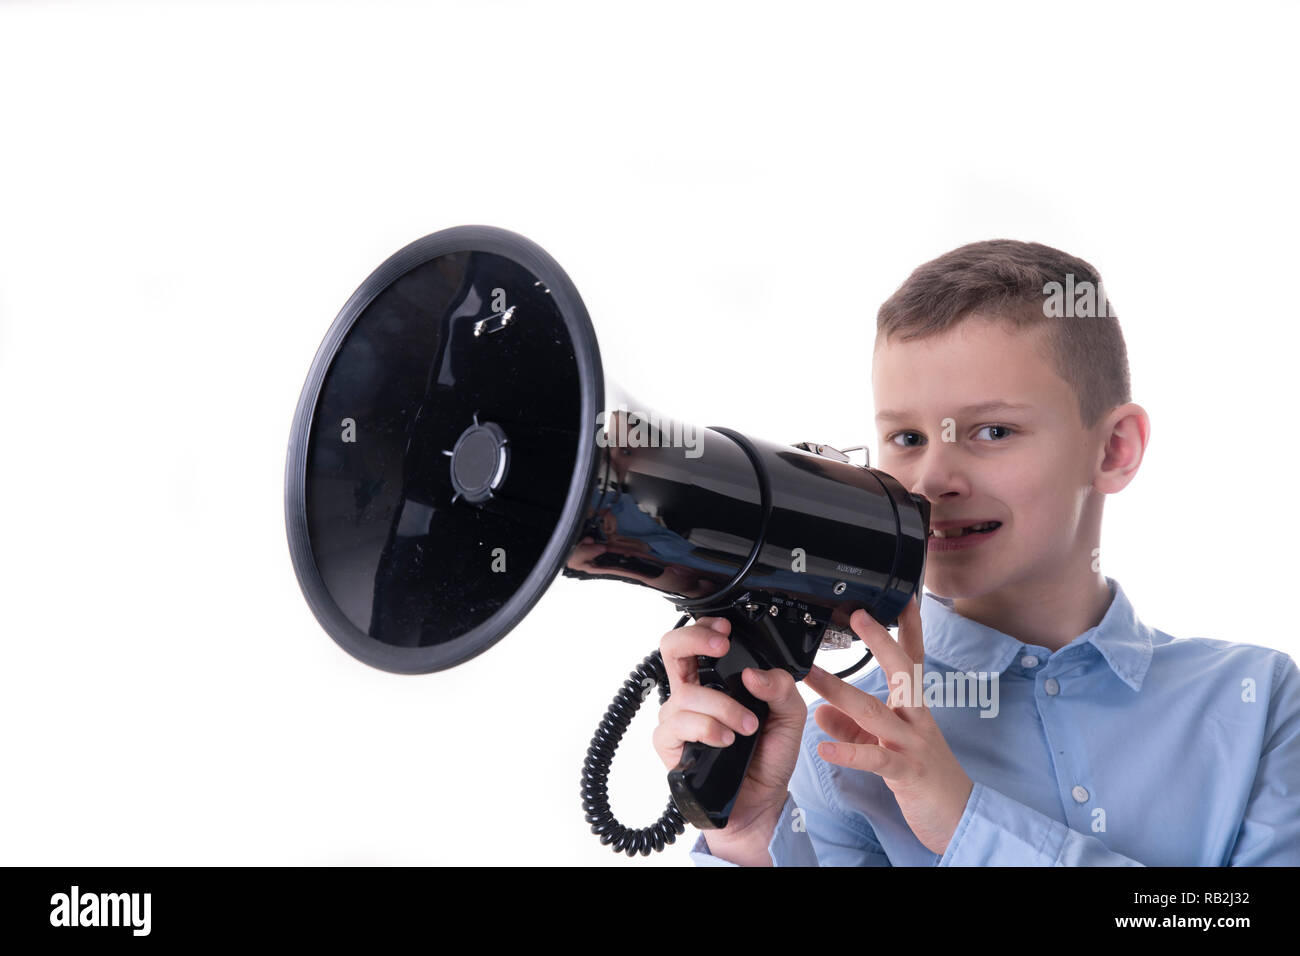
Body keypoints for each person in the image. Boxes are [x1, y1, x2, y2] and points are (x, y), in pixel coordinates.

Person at [653, 240, 1300, 866]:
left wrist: (968, 823)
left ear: (1114, 449)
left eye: (993, 431)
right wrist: (752, 832)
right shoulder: (841, 743)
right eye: (906, 436)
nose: (933, 480)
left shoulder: (1257, 702)